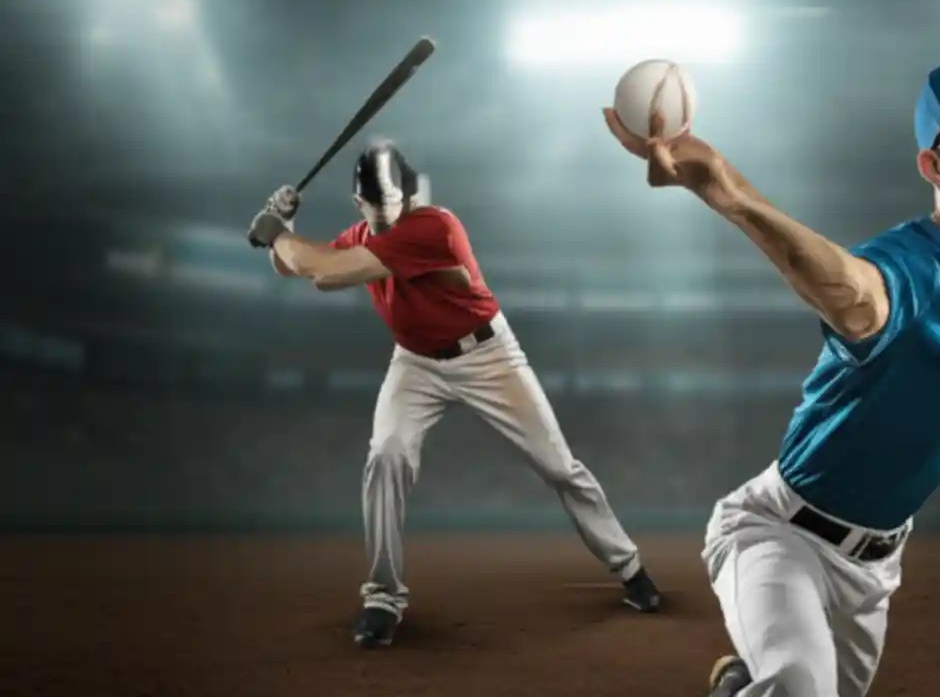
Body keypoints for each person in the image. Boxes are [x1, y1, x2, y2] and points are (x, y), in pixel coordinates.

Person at [603, 46, 940, 696]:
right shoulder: (910, 267)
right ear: (937, 165)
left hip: (876, 571)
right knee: (801, 688)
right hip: (780, 535)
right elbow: (849, 290)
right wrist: (723, 187)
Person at [245, 140, 661, 649]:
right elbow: (303, 270)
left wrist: (277, 235)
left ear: (409, 193)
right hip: (415, 362)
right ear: (359, 204)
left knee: (558, 465)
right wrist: (278, 235)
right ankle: (382, 596)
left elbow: (323, 271)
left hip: (487, 355)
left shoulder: (432, 228)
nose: (385, 211)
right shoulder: (362, 236)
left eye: (392, 199)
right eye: (374, 203)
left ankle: (631, 567)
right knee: (387, 454)